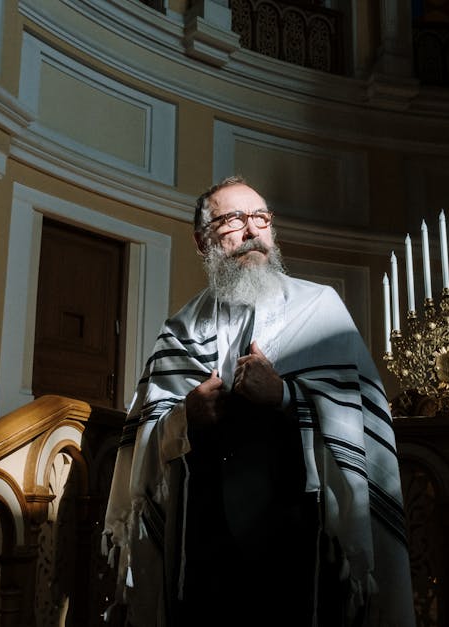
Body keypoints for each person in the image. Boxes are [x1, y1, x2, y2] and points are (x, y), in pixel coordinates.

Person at [103, 176, 414, 626]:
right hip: (204, 540)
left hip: (299, 537)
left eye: (260, 218)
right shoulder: (181, 328)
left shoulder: (320, 307)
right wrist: (186, 417)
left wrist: (285, 395)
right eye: (232, 220)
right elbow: (150, 433)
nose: (251, 230)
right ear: (201, 241)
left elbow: (359, 414)